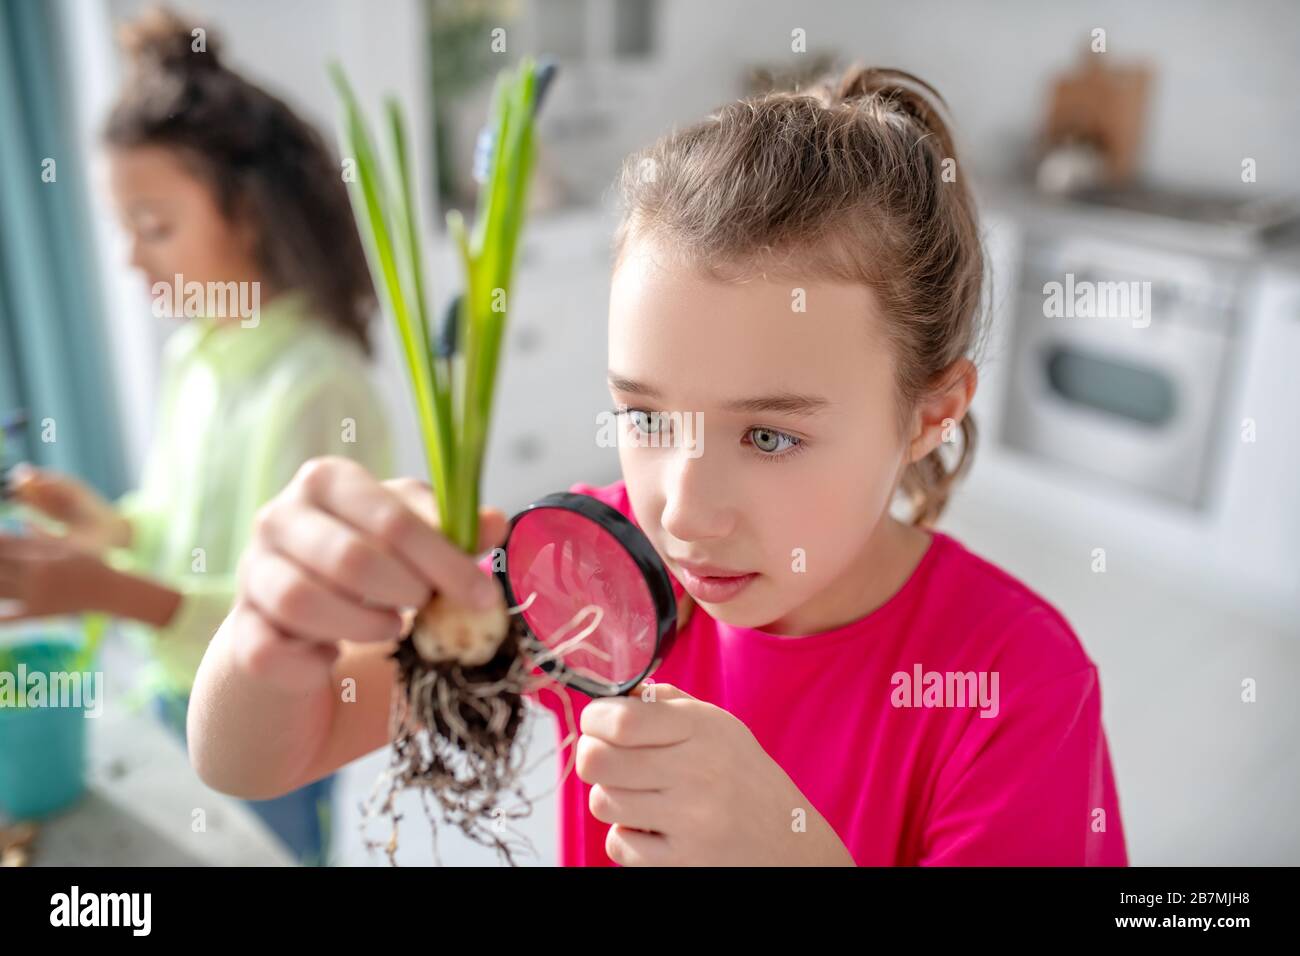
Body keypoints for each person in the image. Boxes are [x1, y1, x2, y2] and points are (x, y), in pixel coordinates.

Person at [184, 65, 1127, 866]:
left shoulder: (1017, 686)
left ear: (930, 413)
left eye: (769, 436)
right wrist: (270, 632)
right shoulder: (587, 572)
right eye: (644, 414)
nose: (685, 513)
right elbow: (253, 761)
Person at [0, 7, 391, 866]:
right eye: (125, 229)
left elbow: (307, 626)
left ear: (247, 215)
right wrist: (115, 529)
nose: (134, 261)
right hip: (175, 693)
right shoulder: (199, 354)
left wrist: (106, 589)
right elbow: (192, 531)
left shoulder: (318, 386)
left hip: (279, 724)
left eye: (156, 226)